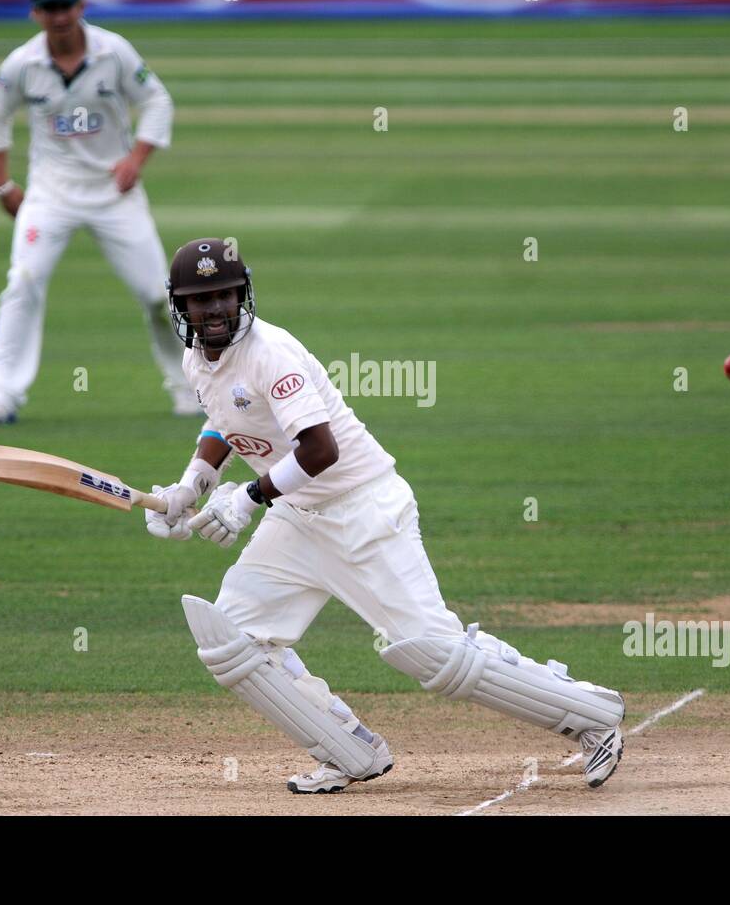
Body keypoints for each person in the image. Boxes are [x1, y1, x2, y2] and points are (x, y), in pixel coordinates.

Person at [144, 238, 625, 794]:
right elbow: (224, 421)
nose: (217, 309)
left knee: (432, 654)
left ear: (242, 293)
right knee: (233, 638)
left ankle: (592, 714)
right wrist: (192, 484)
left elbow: (322, 450)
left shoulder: (270, 352)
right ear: (182, 307)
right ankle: (349, 751)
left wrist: (248, 498)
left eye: (225, 295)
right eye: (202, 300)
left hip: (363, 509)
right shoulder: (196, 359)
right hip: (300, 517)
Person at [0, 0, 195, 424]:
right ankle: (0, 394)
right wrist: (3, 185)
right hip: (50, 195)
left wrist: (135, 159)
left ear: (81, 7)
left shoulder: (114, 52)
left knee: (158, 294)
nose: (59, 16)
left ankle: (189, 389)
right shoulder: (22, 65)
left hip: (114, 193)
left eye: (67, 5)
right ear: (35, 13)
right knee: (23, 282)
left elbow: (157, 101)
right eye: (49, 8)